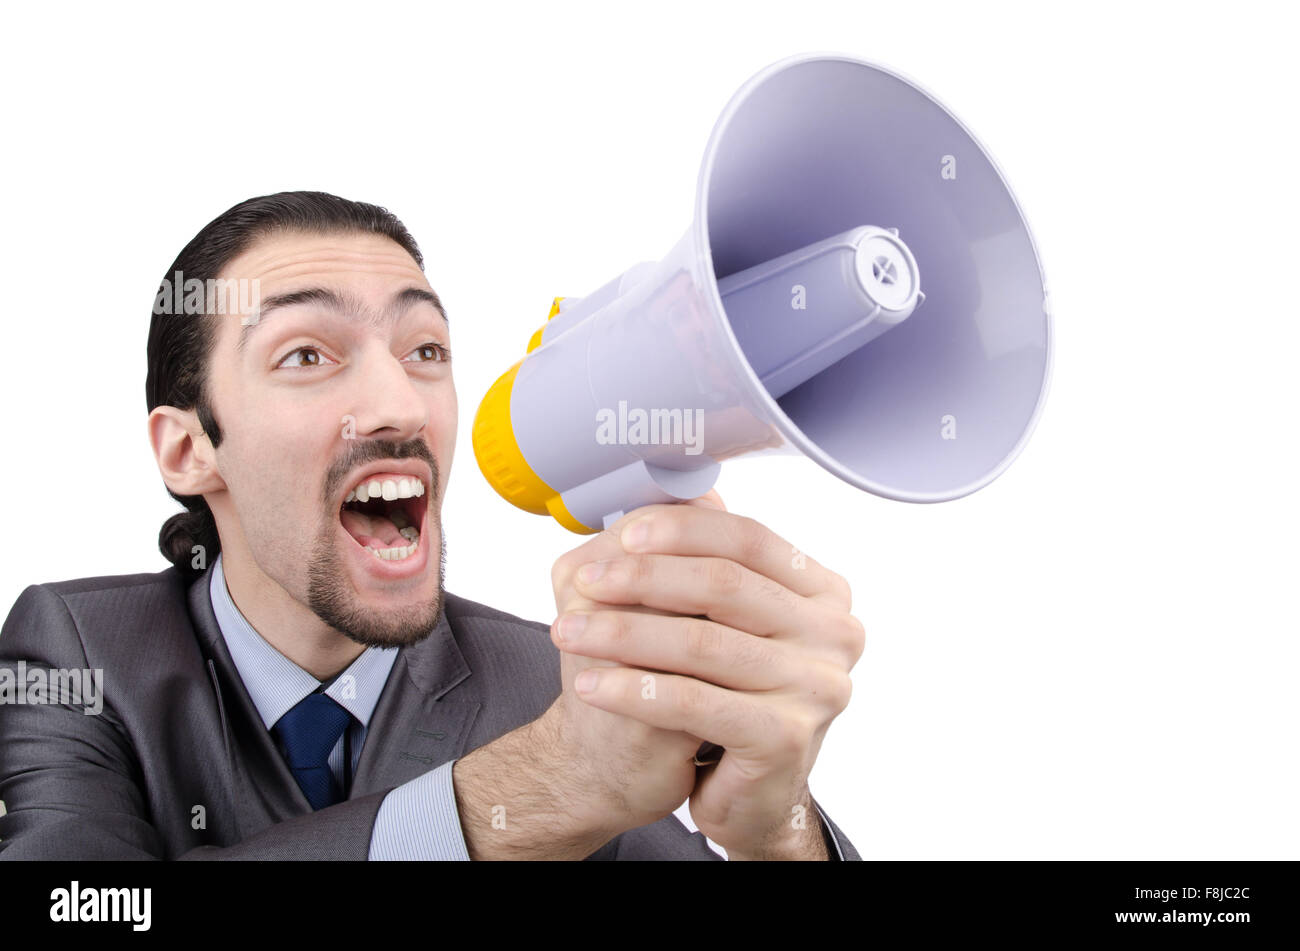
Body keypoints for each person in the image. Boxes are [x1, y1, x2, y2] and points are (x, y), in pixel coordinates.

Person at [0, 191, 864, 860]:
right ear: (190, 448)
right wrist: (540, 791)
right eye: (307, 353)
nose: (399, 404)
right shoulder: (77, 653)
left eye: (425, 350)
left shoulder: (549, 674)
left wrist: (778, 827)